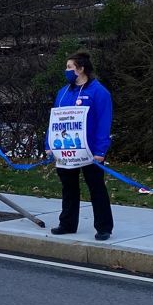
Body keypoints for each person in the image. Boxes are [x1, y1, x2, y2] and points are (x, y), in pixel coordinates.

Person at [48, 51, 114, 241]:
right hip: (67, 150)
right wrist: (49, 144)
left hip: (90, 150)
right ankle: (67, 223)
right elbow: (55, 121)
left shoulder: (98, 92)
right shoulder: (63, 93)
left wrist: (101, 150)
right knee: (68, 187)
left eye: (70, 67)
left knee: (96, 188)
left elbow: (104, 122)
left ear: (81, 69)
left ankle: (103, 227)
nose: (66, 70)